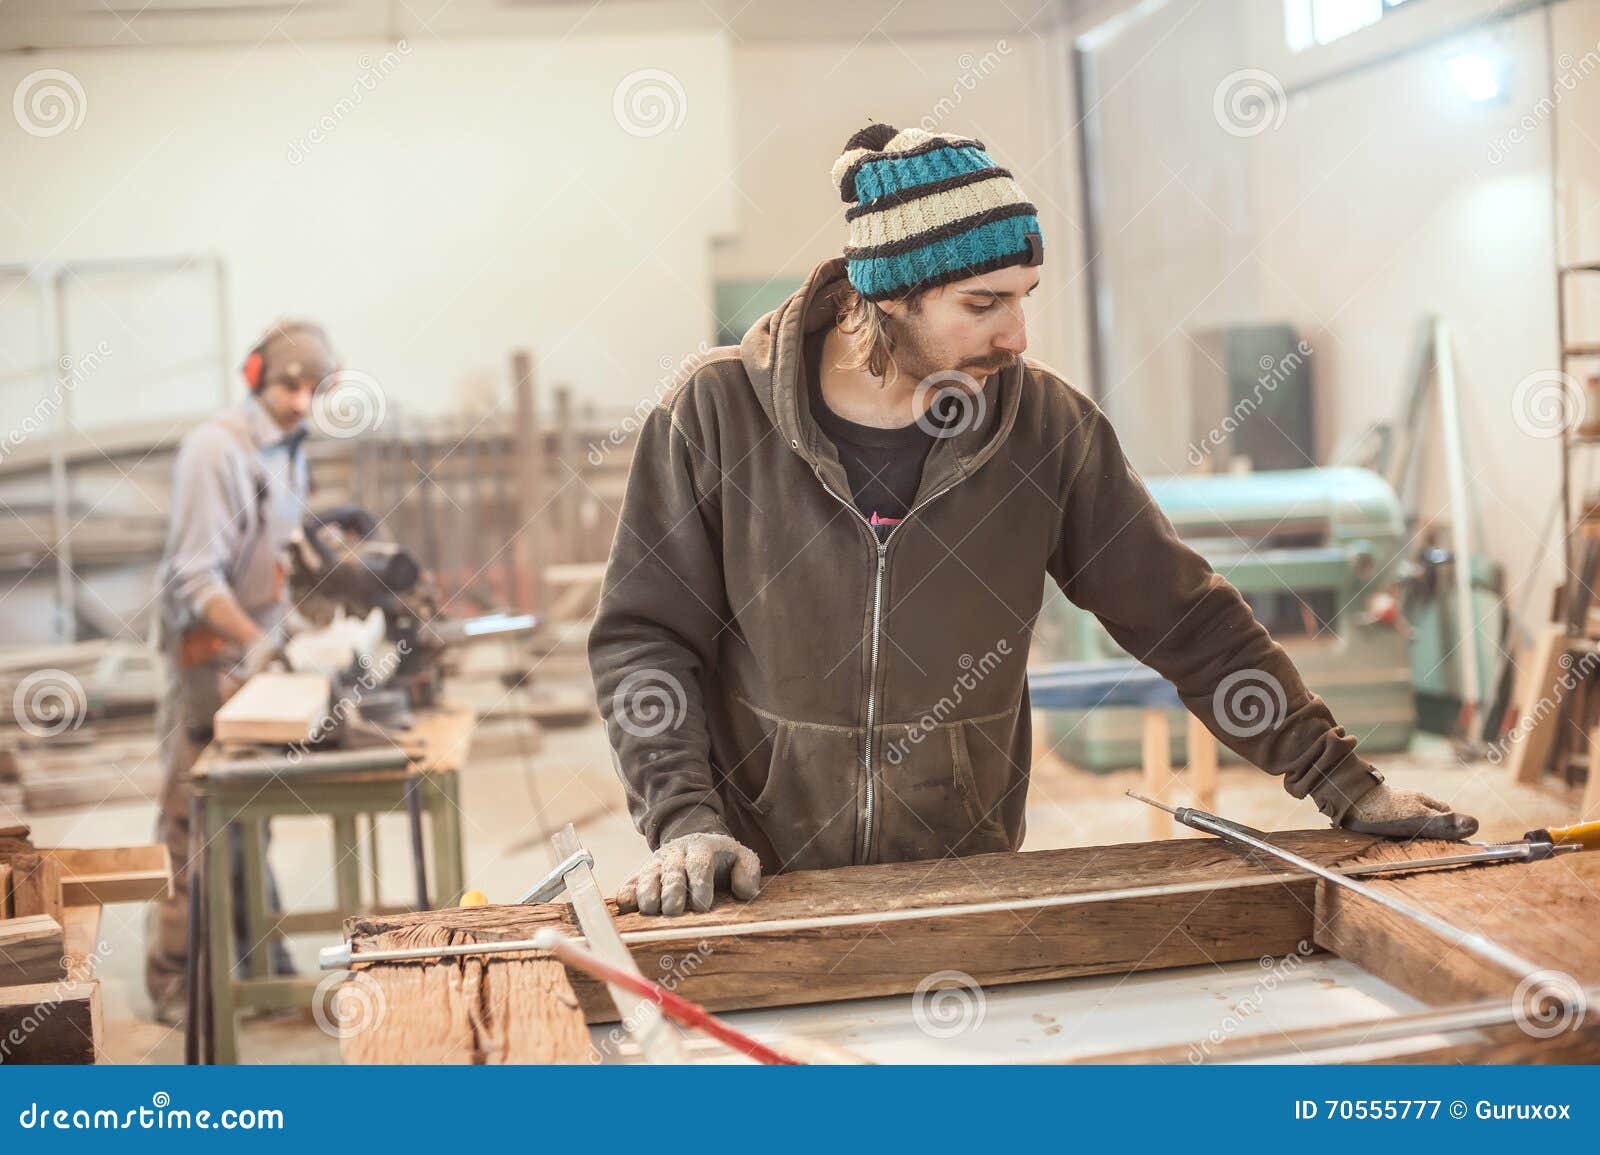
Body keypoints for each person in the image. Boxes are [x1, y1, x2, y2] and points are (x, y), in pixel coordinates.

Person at [589, 122, 1476, 918]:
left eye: (1025, 295)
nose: (1017, 334)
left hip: (963, 879)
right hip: (752, 884)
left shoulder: (1044, 429)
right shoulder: (716, 414)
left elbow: (1186, 620)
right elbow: (644, 639)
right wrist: (683, 823)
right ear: (886, 295)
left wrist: (1346, 785)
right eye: (984, 303)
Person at [144, 319, 335, 1020]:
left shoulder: (289, 451)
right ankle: (172, 980)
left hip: (250, 649)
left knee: (250, 812)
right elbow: (195, 575)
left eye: (314, 388)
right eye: (289, 384)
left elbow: (274, 563)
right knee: (194, 818)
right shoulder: (213, 449)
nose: (300, 401)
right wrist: (255, 639)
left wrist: (291, 638)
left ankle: (261, 962)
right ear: (256, 375)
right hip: (204, 656)